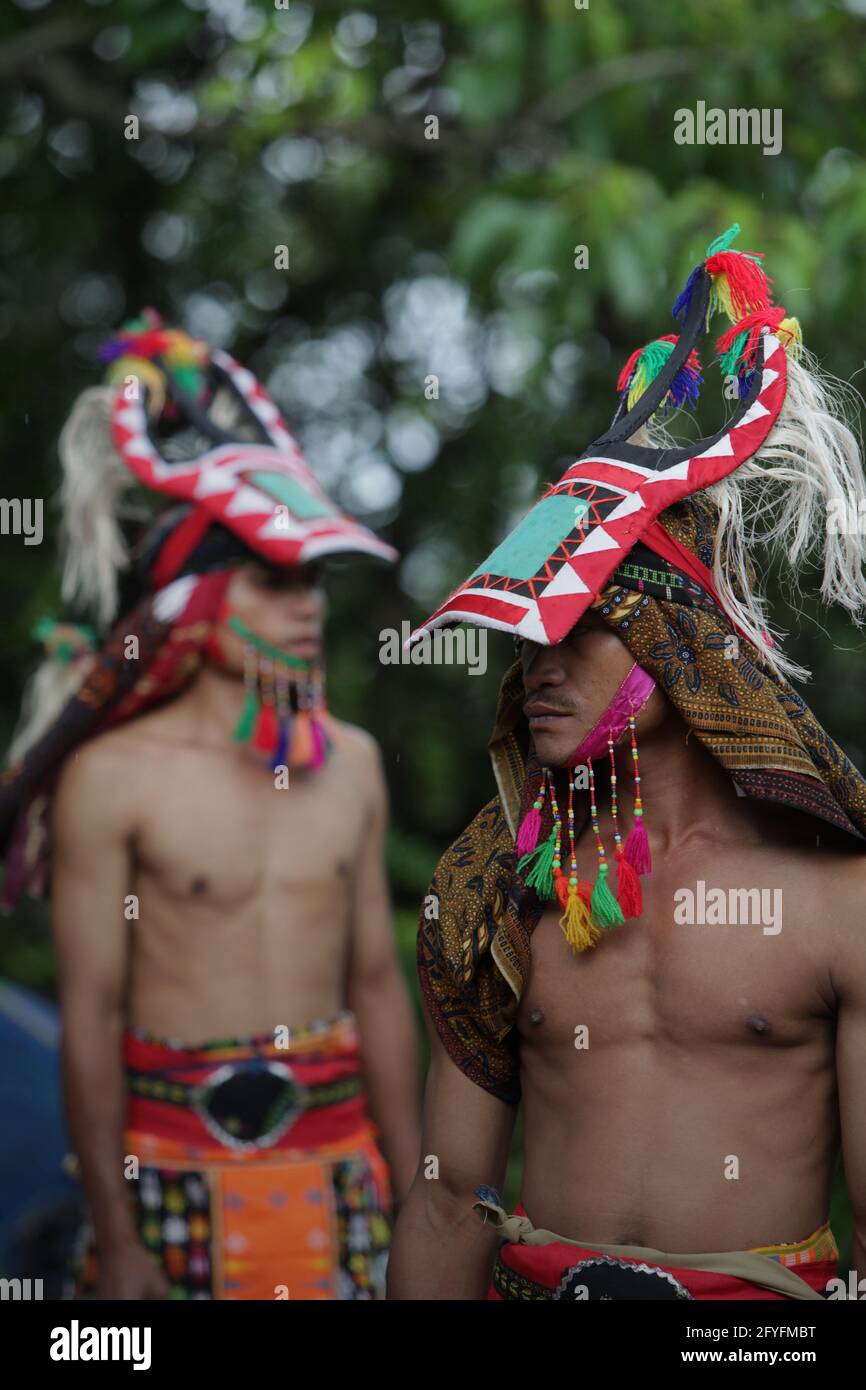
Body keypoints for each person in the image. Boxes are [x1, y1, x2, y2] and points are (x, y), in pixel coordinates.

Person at [390, 227, 866, 1301]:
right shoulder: (494, 887)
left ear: (675, 646)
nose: (536, 667)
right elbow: (442, 1201)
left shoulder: (837, 891)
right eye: (529, 633)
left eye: (580, 629)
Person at [0, 314, 420, 1300]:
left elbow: (376, 986)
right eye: (276, 581)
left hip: (336, 1172)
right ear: (196, 598)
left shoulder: (352, 763)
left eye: (312, 580)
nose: (307, 605)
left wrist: (421, 1193)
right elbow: (91, 1016)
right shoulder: (112, 776)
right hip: (166, 1177)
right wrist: (118, 1234)